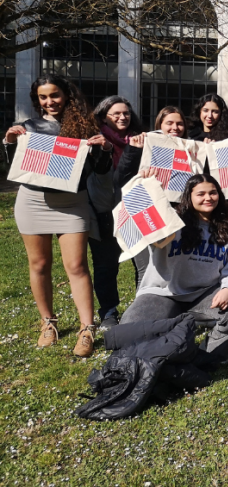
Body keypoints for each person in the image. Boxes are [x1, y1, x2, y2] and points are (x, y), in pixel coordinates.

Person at [4, 75, 113, 357]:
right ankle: (48, 322)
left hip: (72, 203)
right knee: (39, 264)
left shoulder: (86, 126)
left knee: (76, 265)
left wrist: (106, 150)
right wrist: (10, 143)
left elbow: (100, 170)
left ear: (66, 95)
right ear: (37, 100)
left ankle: (87, 328)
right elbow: (18, 169)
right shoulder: (29, 127)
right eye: (43, 97)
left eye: (54, 95)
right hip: (32, 201)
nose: (49, 101)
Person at [119, 174, 228, 364]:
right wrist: (146, 186)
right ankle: (161, 357)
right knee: (127, 331)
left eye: (213, 193)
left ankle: (209, 356)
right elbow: (145, 215)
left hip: (204, 296)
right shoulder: (170, 221)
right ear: (188, 197)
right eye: (201, 194)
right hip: (162, 294)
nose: (208, 198)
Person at [114, 106, 193, 286]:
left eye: (180, 123)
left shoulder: (192, 149)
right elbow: (120, 180)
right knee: (147, 269)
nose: (175, 128)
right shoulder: (143, 145)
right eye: (169, 123)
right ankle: (143, 303)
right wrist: (133, 151)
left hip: (179, 214)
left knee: (176, 266)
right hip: (146, 212)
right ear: (159, 125)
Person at [88, 95, 143, 329]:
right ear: (103, 117)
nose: (123, 117)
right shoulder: (94, 140)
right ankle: (108, 313)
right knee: (106, 266)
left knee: (143, 264)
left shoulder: (141, 140)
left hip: (136, 209)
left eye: (126, 113)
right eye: (116, 114)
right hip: (103, 211)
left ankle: (143, 308)